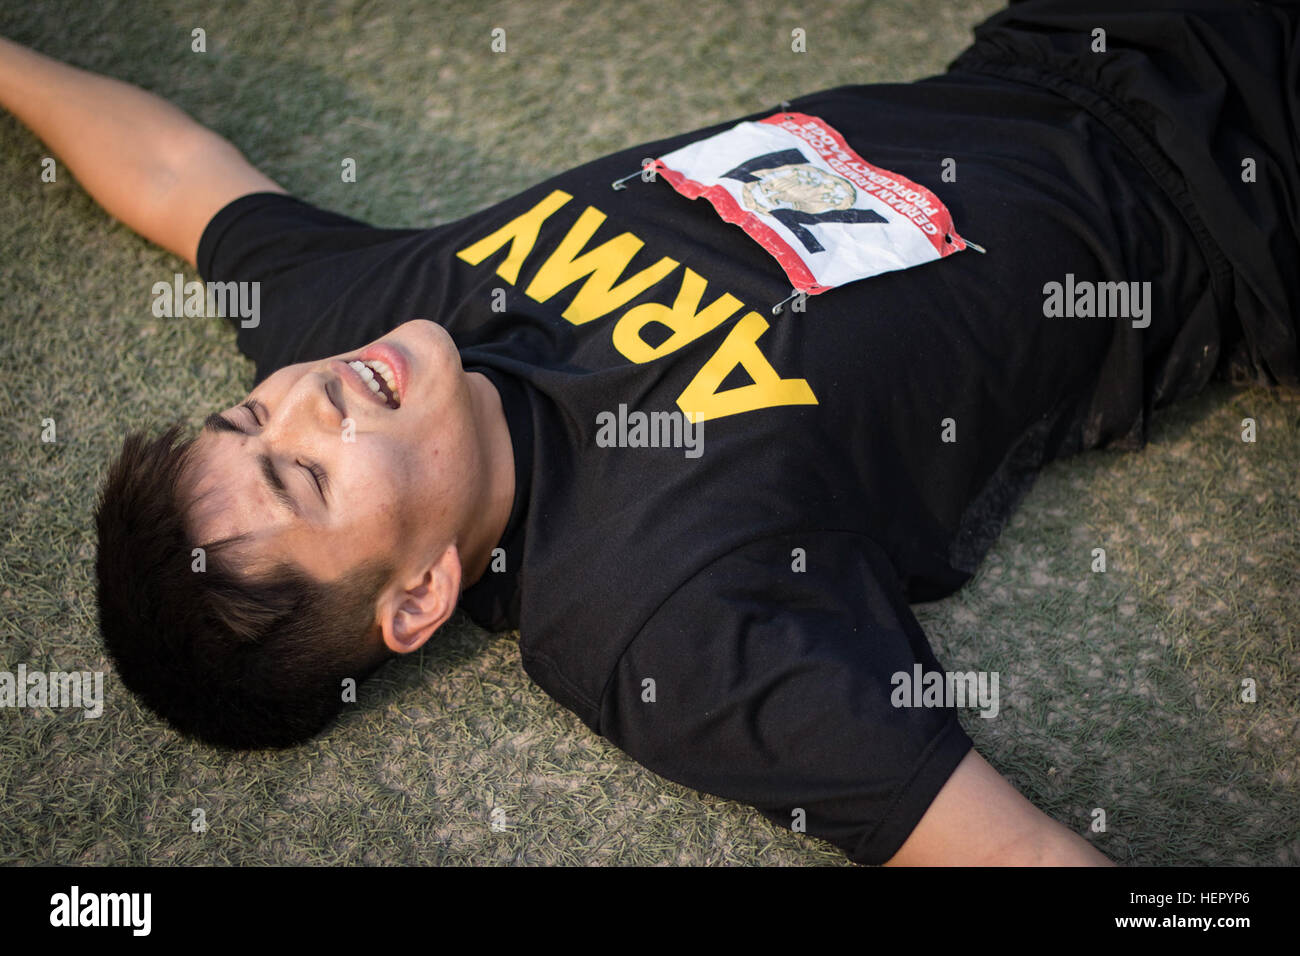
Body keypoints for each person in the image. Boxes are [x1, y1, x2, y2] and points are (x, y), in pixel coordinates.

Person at [4, 0, 1296, 866]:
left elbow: (173, 174)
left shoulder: (359, 323)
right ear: (415, 600)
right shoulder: (667, 623)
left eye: (248, 411)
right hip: (1242, 209)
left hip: (1061, 44)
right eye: (299, 470)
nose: (306, 395)